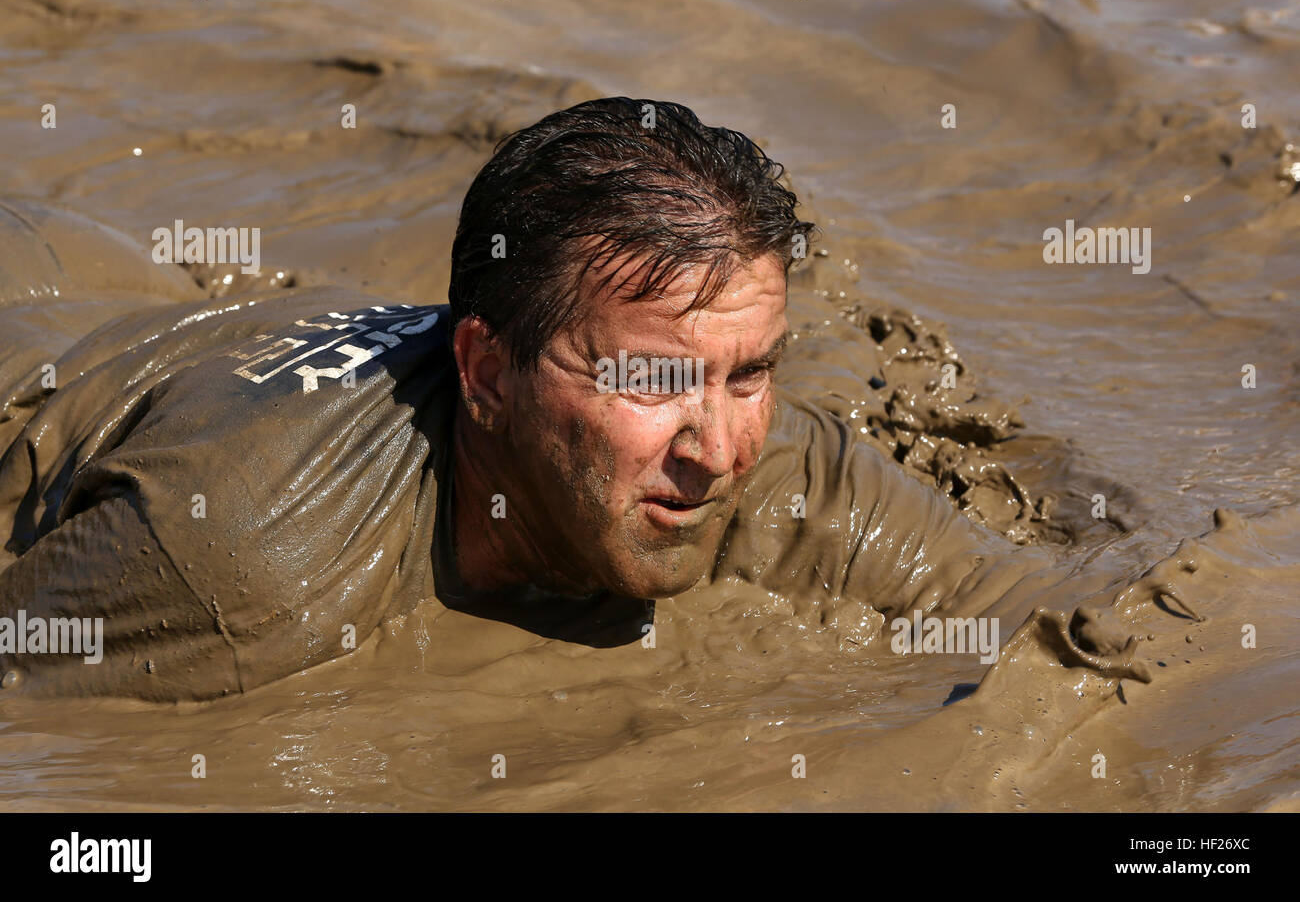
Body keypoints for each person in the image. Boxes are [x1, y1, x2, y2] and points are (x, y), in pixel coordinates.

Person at [0, 98, 1064, 701]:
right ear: (485, 374)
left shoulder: (760, 463)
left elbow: (1053, 633)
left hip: (157, 302)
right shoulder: (242, 570)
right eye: (648, 378)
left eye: (749, 372)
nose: (719, 450)